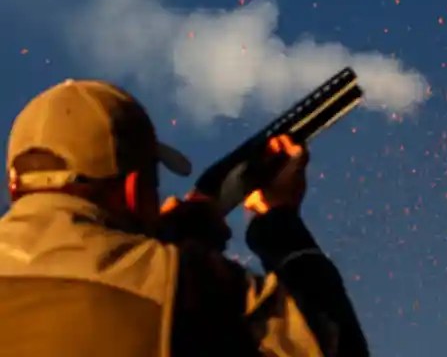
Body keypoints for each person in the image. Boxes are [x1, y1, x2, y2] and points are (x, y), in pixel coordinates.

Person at [0, 78, 370, 356]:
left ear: (15, 187)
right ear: (134, 191)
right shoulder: (188, 282)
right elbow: (333, 346)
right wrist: (278, 221)